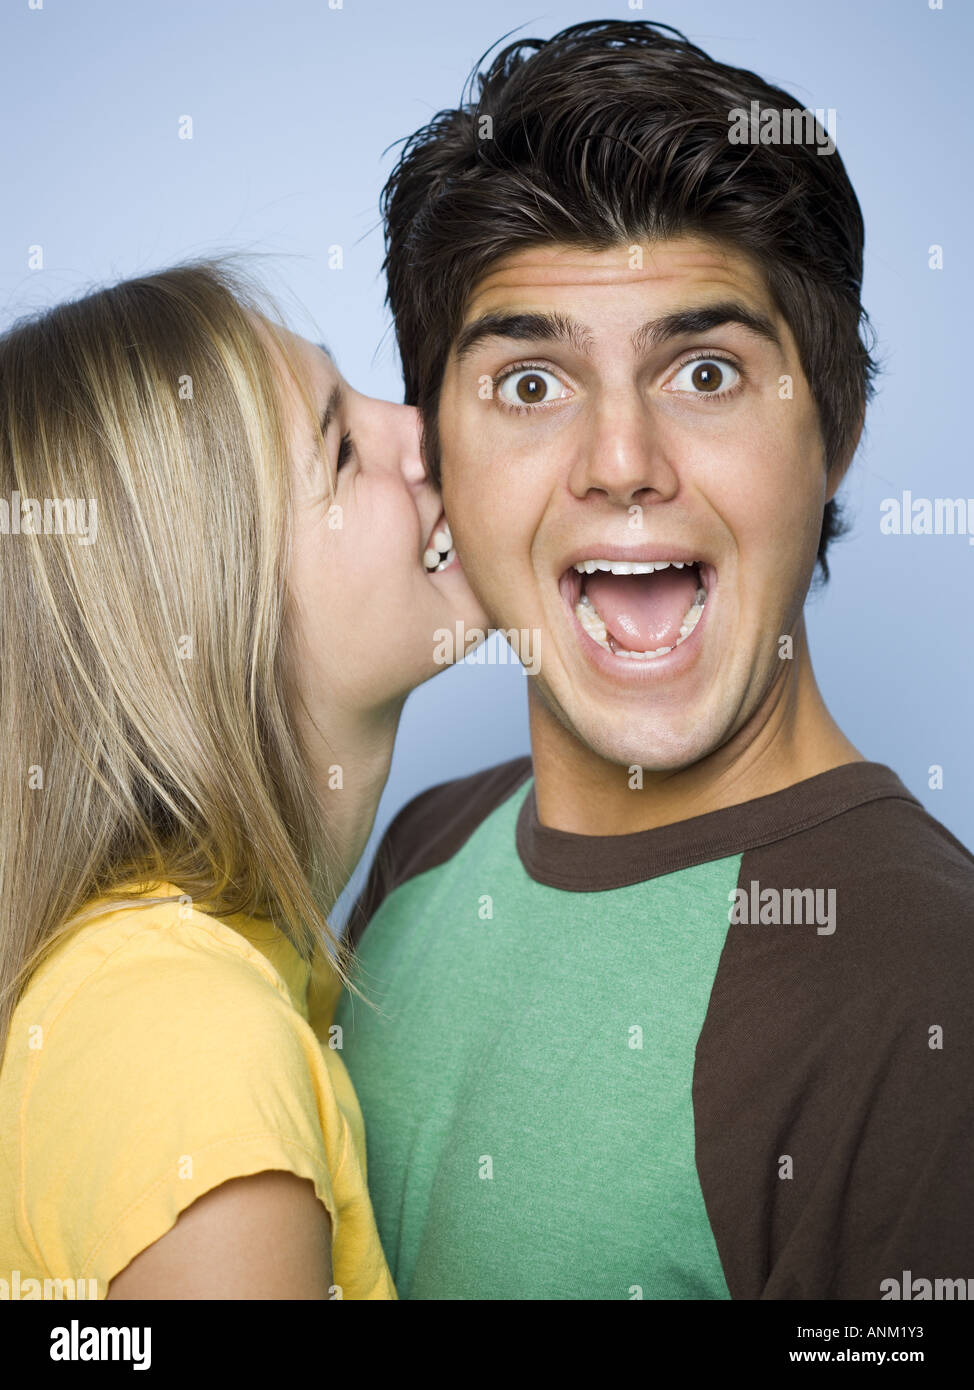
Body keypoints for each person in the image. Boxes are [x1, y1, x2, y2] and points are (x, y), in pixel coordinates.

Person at [336, 20, 974, 1300]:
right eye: (528, 385)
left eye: (703, 370)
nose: (621, 460)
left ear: (831, 435)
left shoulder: (927, 989)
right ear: (438, 472)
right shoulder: (421, 852)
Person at [0, 258, 486, 1299]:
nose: (419, 431)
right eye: (343, 448)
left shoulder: (209, 984)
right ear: (215, 615)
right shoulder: (186, 1036)